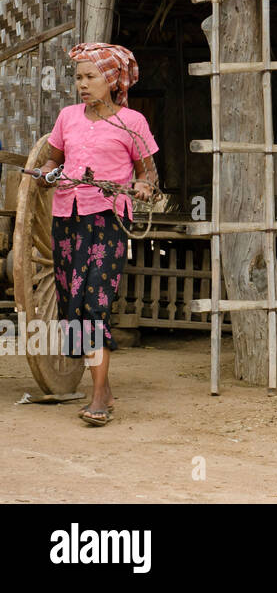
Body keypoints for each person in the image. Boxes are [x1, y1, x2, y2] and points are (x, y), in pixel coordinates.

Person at [35, 43, 160, 427]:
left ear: (112, 80)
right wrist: (46, 173)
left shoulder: (133, 123)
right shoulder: (68, 117)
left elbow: (149, 175)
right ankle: (102, 388)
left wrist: (141, 186)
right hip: (66, 219)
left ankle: (99, 397)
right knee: (73, 302)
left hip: (105, 219)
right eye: (79, 78)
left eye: (91, 77)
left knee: (95, 301)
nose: (83, 85)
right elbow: (52, 161)